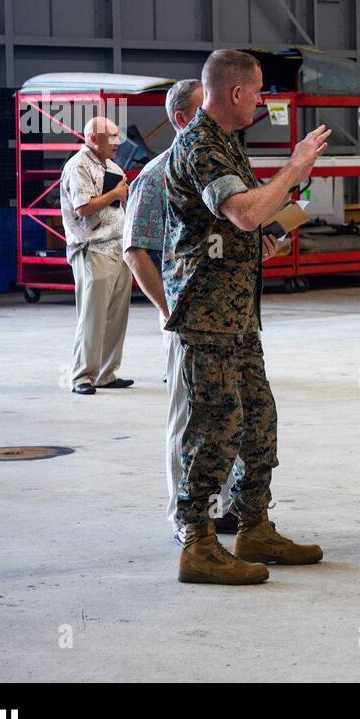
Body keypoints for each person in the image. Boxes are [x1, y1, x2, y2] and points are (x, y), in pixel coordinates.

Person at [163, 49, 330, 585]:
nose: (262, 102)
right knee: (216, 428)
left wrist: (274, 230)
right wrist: (297, 166)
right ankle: (197, 543)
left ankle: (254, 526)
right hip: (206, 314)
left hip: (236, 313)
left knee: (259, 421)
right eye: (257, 93)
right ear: (236, 94)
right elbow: (244, 211)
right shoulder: (200, 145)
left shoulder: (229, 143)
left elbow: (248, 221)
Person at [123, 78, 242, 544]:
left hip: (226, 317)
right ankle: (184, 515)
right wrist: (169, 310)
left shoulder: (219, 168)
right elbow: (137, 250)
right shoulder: (156, 176)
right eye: (203, 111)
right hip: (186, 319)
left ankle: (221, 504)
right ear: (180, 119)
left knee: (226, 415)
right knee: (188, 417)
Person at [60, 115, 133, 395]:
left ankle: (106, 372)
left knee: (116, 314)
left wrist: (121, 193)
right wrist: (115, 193)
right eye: (111, 137)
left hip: (118, 245)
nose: (117, 143)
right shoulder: (78, 166)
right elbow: (83, 208)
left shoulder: (111, 166)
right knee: (92, 314)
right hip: (93, 247)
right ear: (92, 139)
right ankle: (82, 376)